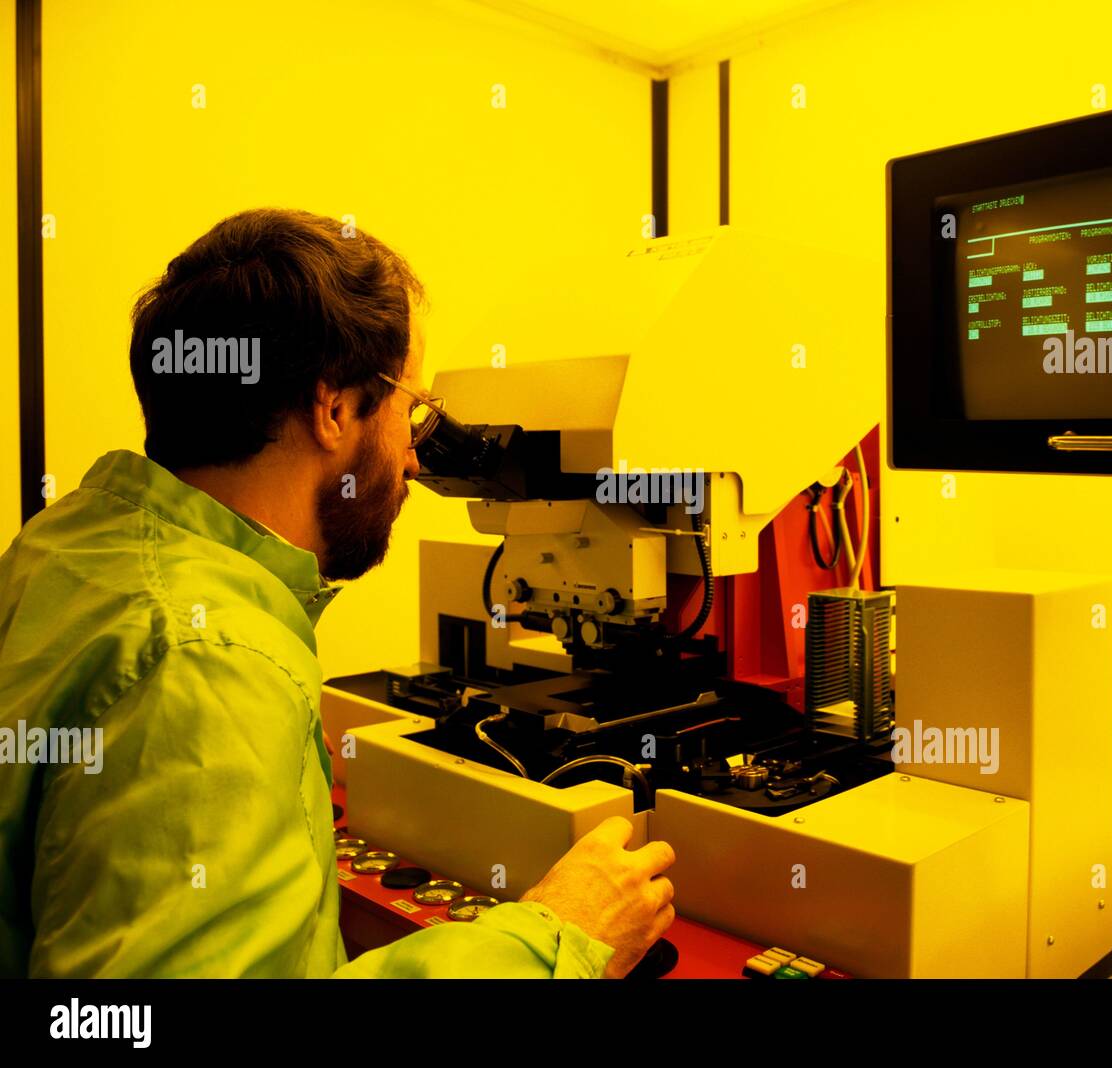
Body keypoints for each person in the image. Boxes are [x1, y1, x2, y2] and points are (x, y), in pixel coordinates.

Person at [0, 208, 676, 978]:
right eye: (409, 410)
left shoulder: (68, 546)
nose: (415, 461)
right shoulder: (209, 664)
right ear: (334, 411)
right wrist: (551, 939)